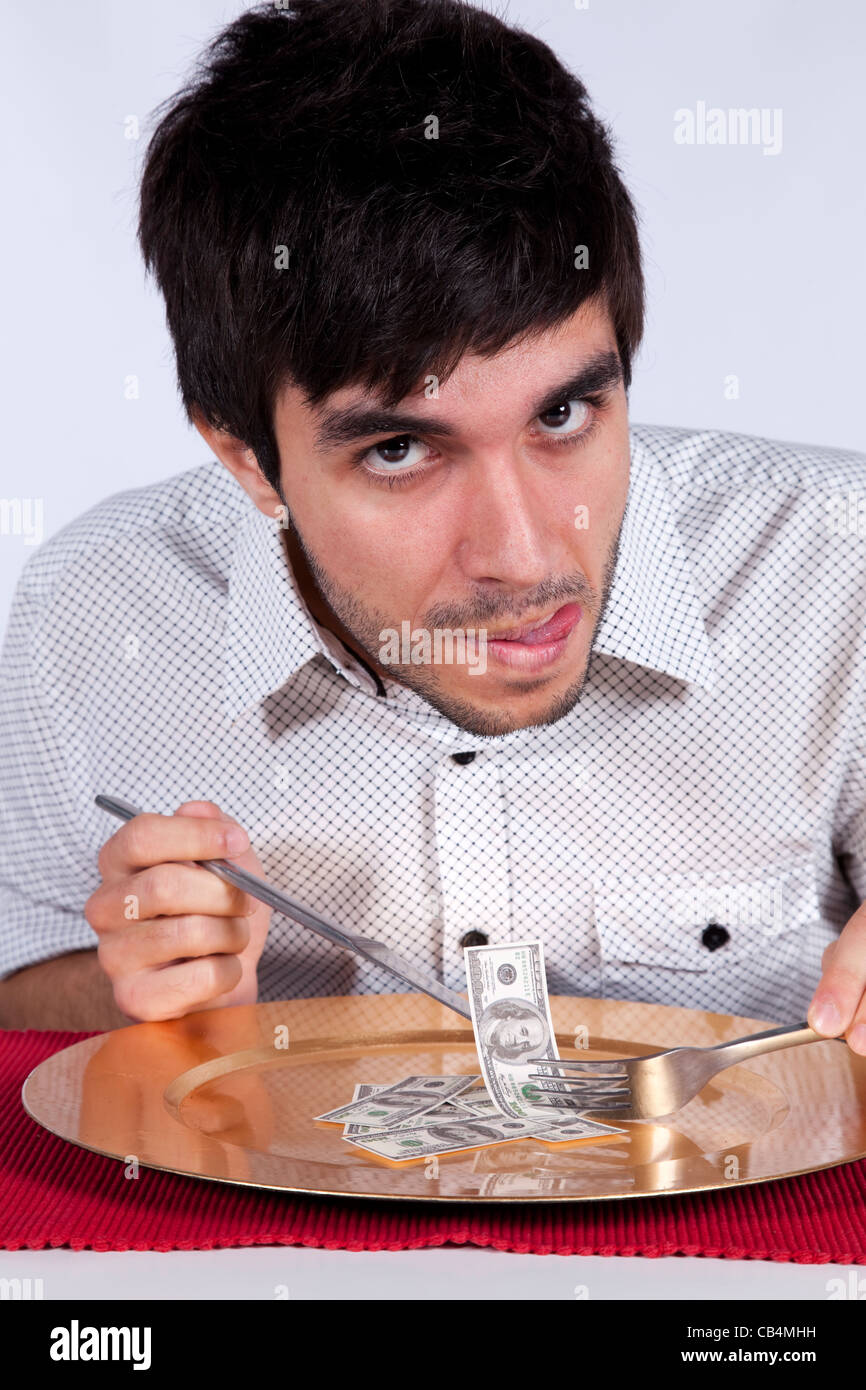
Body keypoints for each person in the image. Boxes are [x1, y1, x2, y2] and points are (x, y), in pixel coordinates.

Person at [1, 0, 864, 1056]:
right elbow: (21, 998)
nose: (525, 556)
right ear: (242, 456)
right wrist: (141, 991)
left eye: (561, 414)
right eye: (400, 452)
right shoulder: (93, 610)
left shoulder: (834, 556)